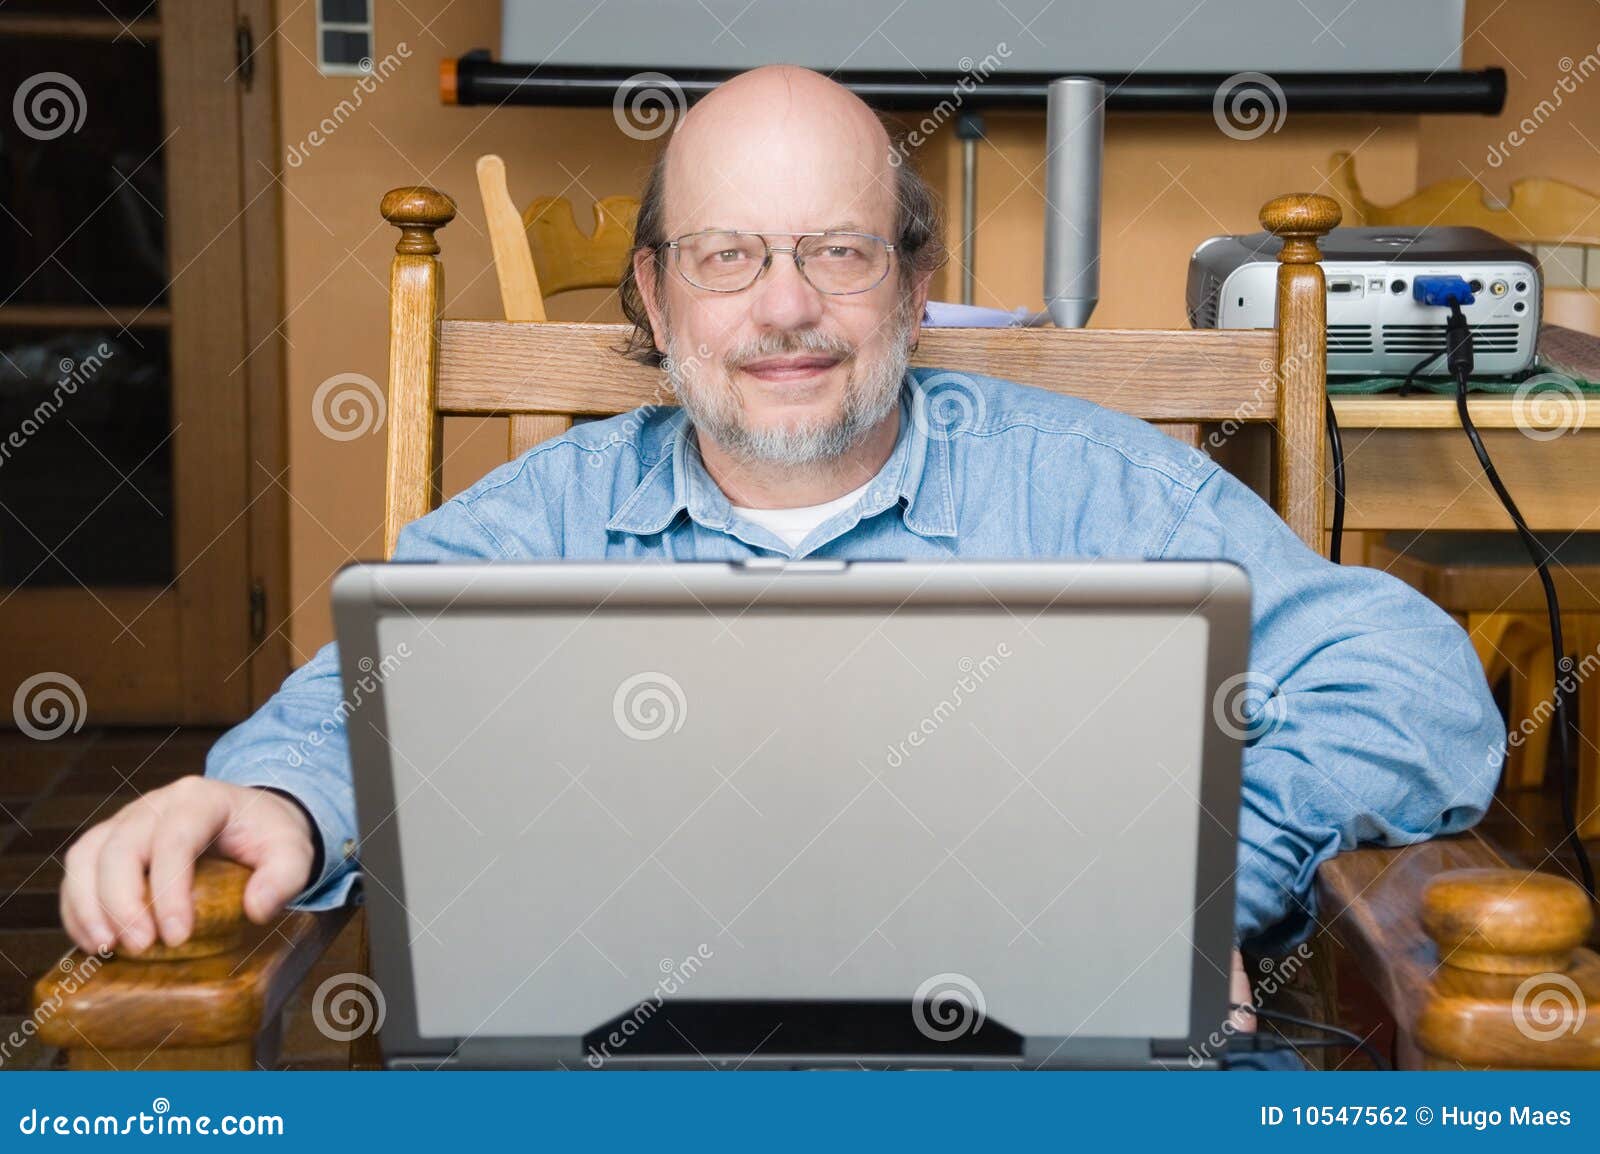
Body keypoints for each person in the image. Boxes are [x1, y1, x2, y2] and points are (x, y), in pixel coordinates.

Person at [59, 68, 1500, 1020]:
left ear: (915, 285)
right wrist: (272, 800)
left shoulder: (1105, 495)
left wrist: (1181, 882)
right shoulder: (538, 523)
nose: (785, 306)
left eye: (839, 250)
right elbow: (359, 710)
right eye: (728, 254)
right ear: (659, 294)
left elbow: (1419, 692)